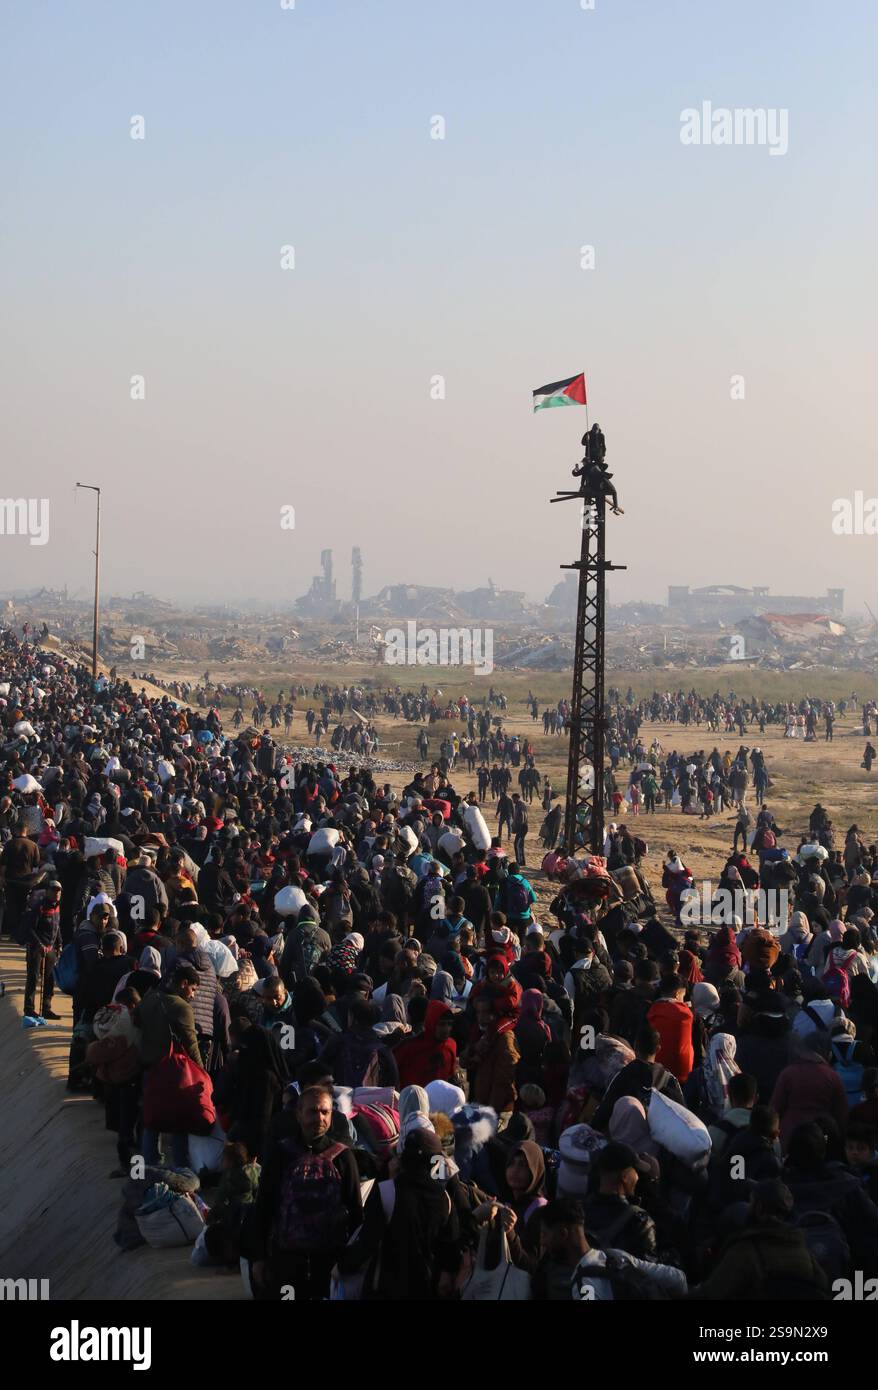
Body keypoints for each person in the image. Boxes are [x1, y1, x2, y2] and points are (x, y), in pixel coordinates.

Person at [249, 1084, 362, 1300]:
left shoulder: (343, 1157)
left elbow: (355, 1211)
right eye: (312, 1111)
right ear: (298, 1114)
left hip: (330, 1263)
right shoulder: (281, 1155)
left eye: (325, 1112)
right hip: (287, 1263)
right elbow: (263, 1207)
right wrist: (258, 1257)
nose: (319, 1118)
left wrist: (350, 1261)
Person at [689, 1179, 828, 1299]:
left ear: (759, 1208)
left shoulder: (747, 1251)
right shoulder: (802, 1250)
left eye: (751, 1202)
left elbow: (711, 1293)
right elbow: (823, 1285)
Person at [533, 1198, 686, 1300]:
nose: (542, 1241)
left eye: (544, 1234)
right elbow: (678, 1280)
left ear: (563, 1234)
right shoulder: (616, 1257)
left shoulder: (585, 1288)